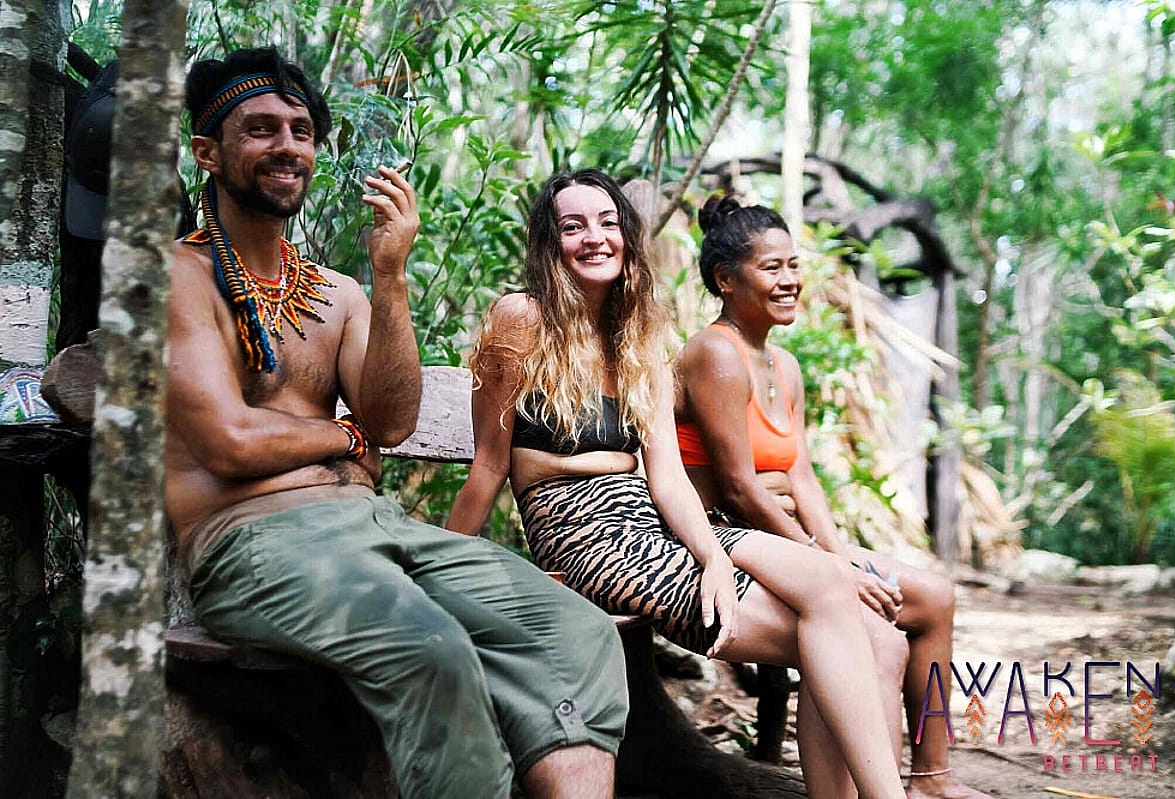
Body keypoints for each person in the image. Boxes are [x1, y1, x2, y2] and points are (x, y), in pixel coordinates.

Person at [165, 48, 627, 799]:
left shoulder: (337, 291)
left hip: (378, 527)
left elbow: (393, 418)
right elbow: (230, 440)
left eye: (302, 129)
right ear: (208, 153)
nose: (288, 145)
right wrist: (345, 439)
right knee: (434, 649)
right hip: (252, 545)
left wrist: (390, 276)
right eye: (261, 129)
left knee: (576, 630)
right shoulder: (179, 280)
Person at [447, 168, 910, 799]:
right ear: (549, 242)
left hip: (653, 521)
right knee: (844, 626)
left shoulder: (638, 334)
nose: (595, 237)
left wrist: (715, 558)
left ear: (628, 237)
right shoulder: (520, 320)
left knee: (875, 631)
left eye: (609, 222)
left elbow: (666, 477)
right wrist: (443, 571)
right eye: (573, 225)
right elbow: (489, 466)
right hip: (582, 535)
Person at [674, 194, 989, 799]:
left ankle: (932, 779)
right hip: (718, 542)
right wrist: (830, 567)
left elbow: (801, 478)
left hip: (779, 539)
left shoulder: (783, 364)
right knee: (874, 629)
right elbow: (739, 488)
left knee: (931, 596)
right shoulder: (715, 352)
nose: (790, 279)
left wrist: (842, 554)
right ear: (725, 279)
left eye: (794, 264)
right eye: (772, 268)